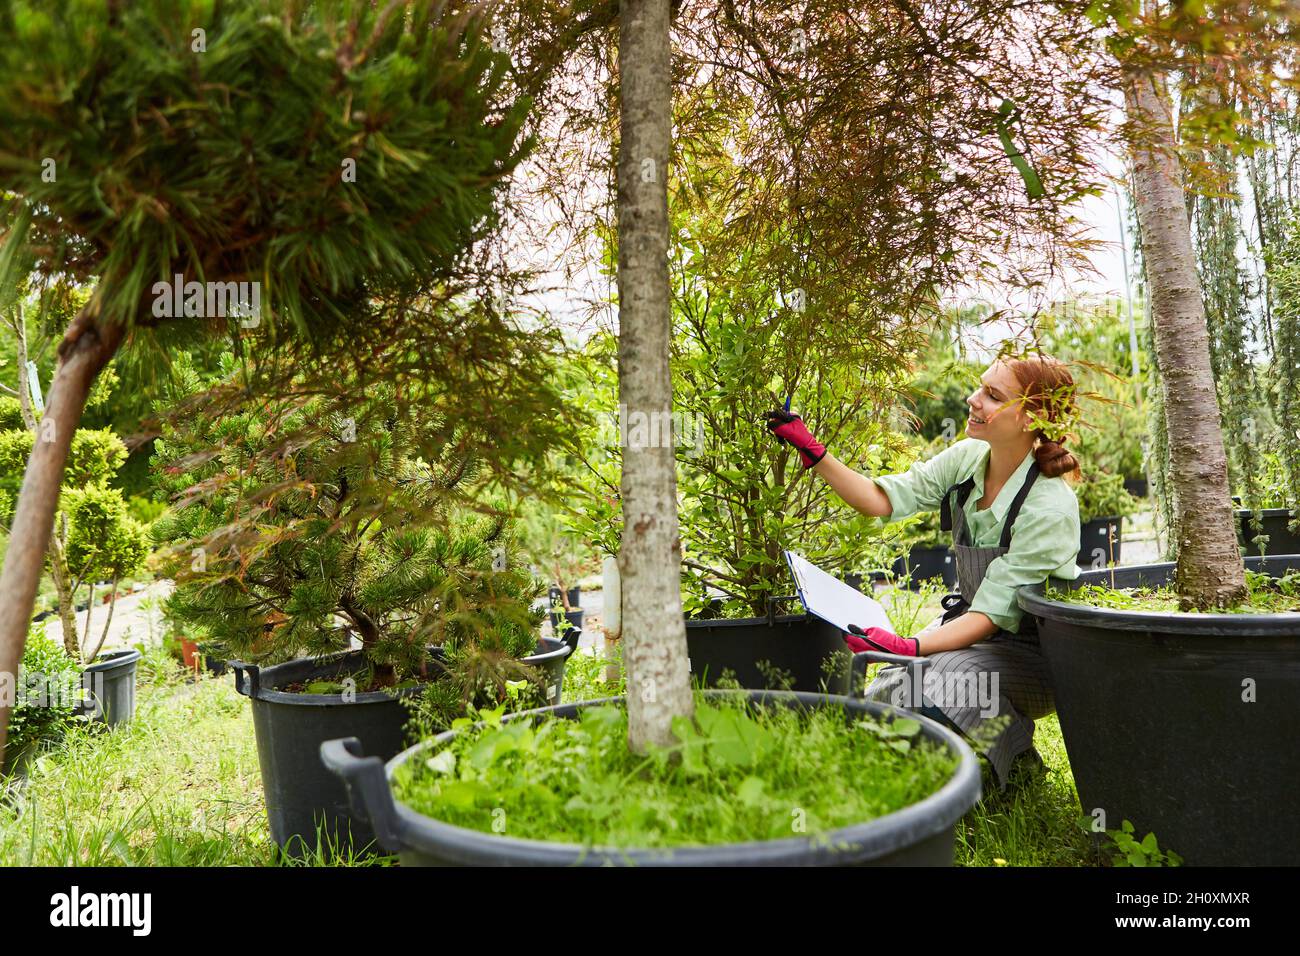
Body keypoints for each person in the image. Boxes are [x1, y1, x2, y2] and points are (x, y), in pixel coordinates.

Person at [765, 353, 1083, 791]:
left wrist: (910, 644)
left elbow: (991, 615)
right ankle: (963, 766)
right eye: (979, 386)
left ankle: (1020, 768)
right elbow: (880, 500)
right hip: (969, 627)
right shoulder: (970, 459)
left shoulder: (1049, 507)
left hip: (1033, 653)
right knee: (890, 690)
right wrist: (812, 450)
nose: (973, 400)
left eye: (992, 395)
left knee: (944, 685)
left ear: (1033, 418)